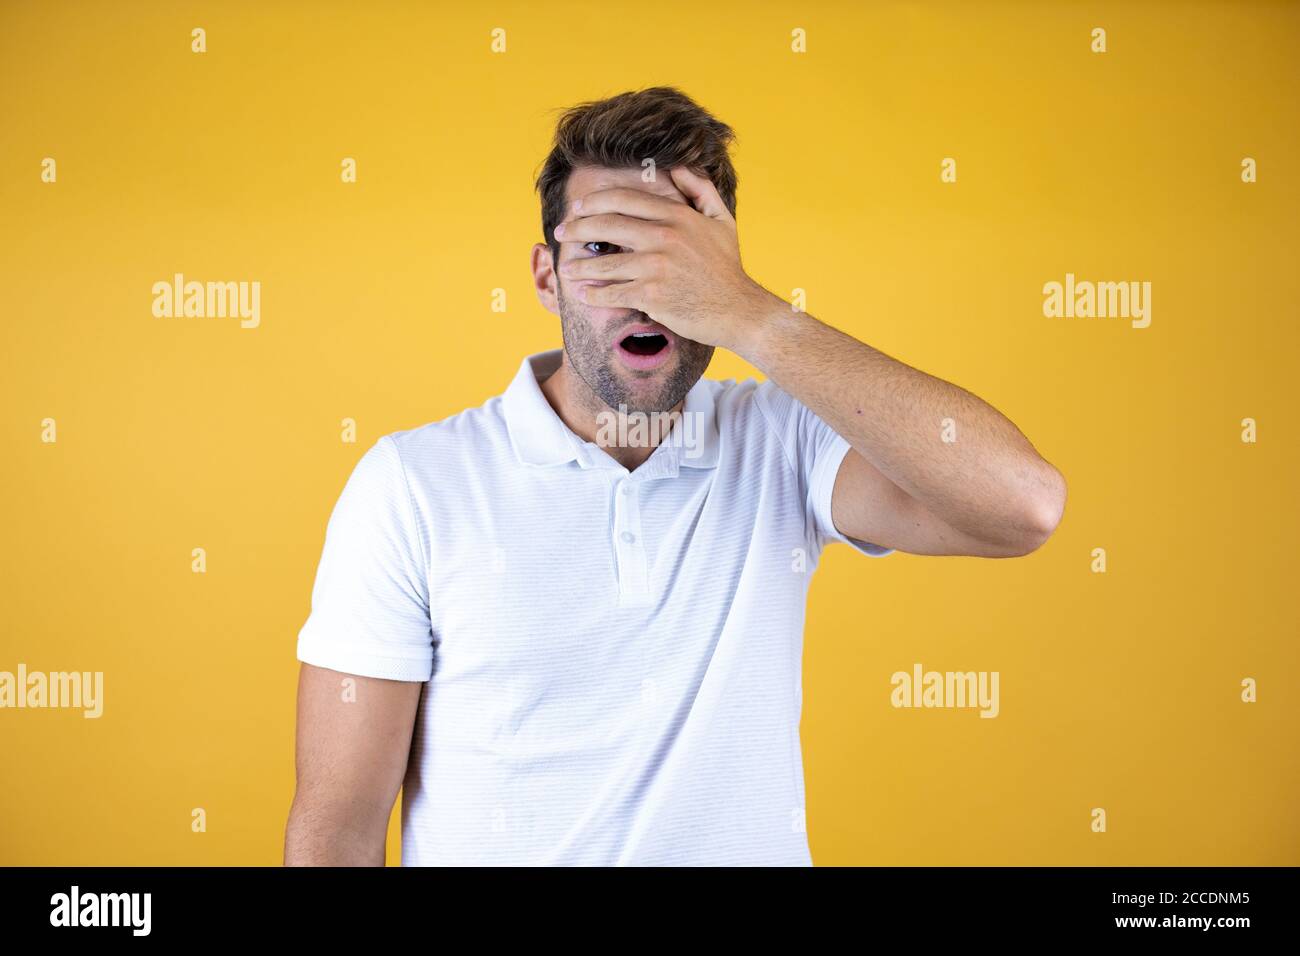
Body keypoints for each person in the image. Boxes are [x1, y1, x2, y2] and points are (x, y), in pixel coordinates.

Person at [284, 86, 1066, 866]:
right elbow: (339, 828)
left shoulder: (785, 442)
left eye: (677, 256)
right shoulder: (413, 484)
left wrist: (750, 314)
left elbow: (1022, 505)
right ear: (546, 276)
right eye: (603, 250)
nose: (645, 292)